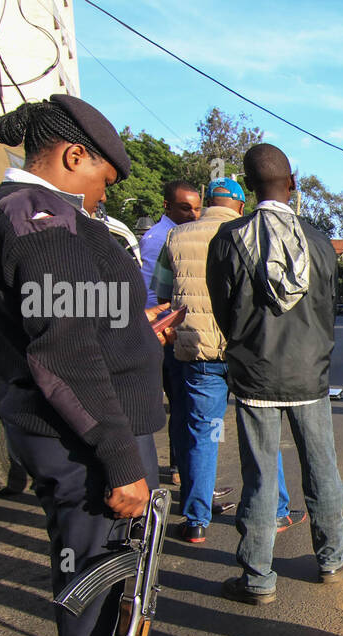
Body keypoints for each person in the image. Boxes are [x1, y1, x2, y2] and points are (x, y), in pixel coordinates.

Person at [0, 96, 188, 636]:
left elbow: (74, 325)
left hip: (84, 427)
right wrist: (121, 460)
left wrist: (132, 330)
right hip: (85, 442)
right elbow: (61, 353)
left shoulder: (31, 217)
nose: (101, 194)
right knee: (100, 582)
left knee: (123, 582)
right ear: (72, 157)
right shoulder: (41, 222)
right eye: (102, 180)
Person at [207, 144, 343, 603]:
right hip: (310, 376)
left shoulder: (228, 239)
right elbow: (328, 312)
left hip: (255, 377)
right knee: (322, 469)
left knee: (261, 478)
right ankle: (330, 560)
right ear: (292, 184)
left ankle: (258, 579)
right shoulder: (320, 241)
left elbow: (223, 312)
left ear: (248, 188)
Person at [151, 177, 298, 542]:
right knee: (262, 432)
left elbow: (162, 292)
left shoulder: (177, 236)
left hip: (198, 353)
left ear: (206, 202)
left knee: (202, 433)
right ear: (240, 206)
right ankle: (277, 511)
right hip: (247, 353)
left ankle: (196, 521)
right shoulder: (252, 232)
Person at [141, 181, 201, 488]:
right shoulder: (159, 239)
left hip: (170, 329)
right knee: (179, 402)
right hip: (163, 331)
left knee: (180, 403)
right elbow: (155, 293)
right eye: (185, 208)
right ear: (167, 207)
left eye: (197, 208)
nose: (193, 214)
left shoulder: (179, 235)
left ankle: (182, 467)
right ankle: (182, 469)